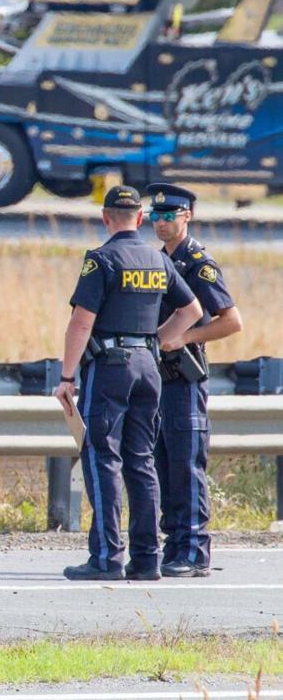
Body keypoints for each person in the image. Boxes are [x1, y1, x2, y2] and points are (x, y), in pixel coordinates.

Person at [55, 185, 202, 581]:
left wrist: (67, 377)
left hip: (110, 368)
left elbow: (81, 323)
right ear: (140, 218)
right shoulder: (158, 260)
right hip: (148, 368)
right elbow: (193, 309)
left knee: (102, 458)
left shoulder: (101, 260)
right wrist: (161, 339)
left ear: (106, 218)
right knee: (141, 462)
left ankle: (106, 558)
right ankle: (147, 559)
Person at [145, 183, 243, 578]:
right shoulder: (156, 260)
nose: (161, 223)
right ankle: (174, 545)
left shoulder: (197, 262)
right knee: (163, 462)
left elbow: (232, 322)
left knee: (186, 463)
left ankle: (193, 549)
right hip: (158, 376)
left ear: (187, 216)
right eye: (156, 216)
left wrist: (183, 337)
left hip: (185, 375)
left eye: (169, 216)